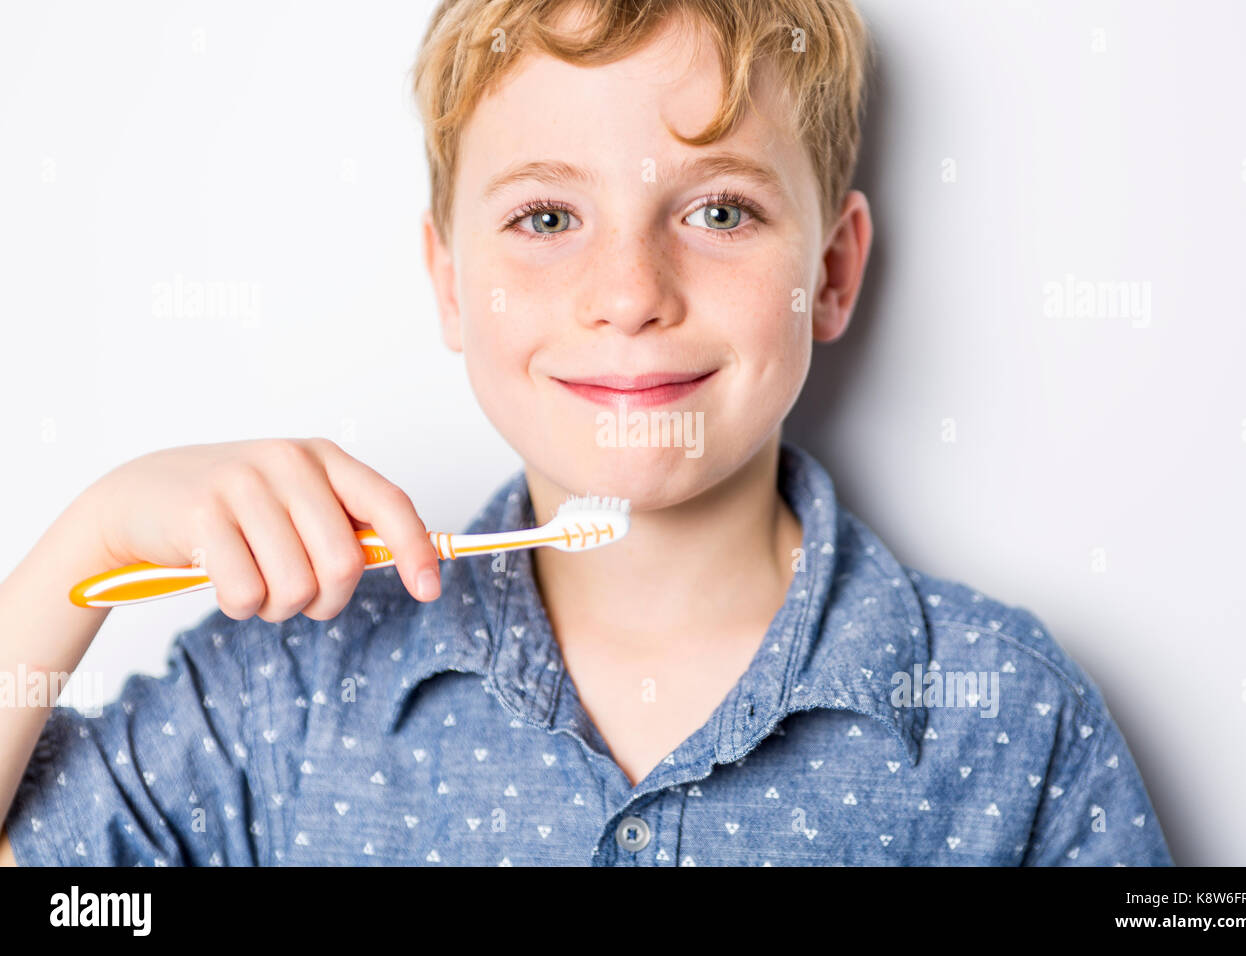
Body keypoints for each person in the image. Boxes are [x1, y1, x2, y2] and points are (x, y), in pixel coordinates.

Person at [0, 0, 1173, 866]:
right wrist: (91, 542)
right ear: (449, 284)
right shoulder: (281, 694)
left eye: (718, 210)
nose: (627, 290)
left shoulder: (1006, 716)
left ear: (831, 269)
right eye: (546, 215)